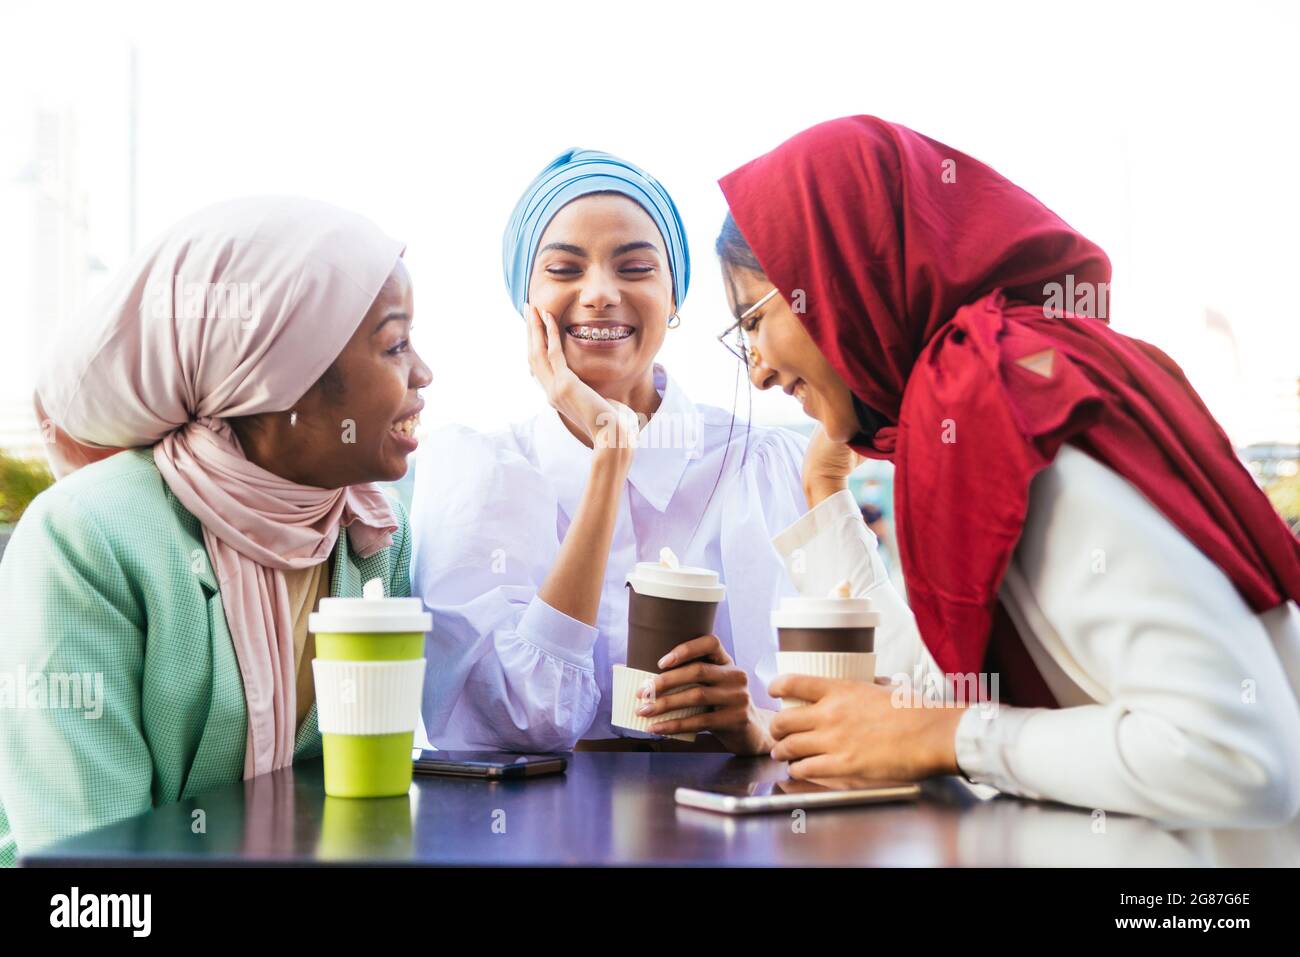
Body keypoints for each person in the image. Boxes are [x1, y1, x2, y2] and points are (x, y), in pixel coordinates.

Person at [715, 116, 1300, 827]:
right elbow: (940, 689)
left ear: (832, 272)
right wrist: (825, 491)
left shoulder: (993, 394)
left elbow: (1238, 756)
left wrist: (945, 739)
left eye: (752, 320)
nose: (758, 368)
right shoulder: (978, 387)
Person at [410, 148, 915, 754]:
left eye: (635, 268)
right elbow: (514, 725)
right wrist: (609, 460)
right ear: (526, 303)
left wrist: (753, 725)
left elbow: (884, 698)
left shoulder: (761, 465)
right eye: (565, 270)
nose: (599, 293)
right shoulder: (482, 475)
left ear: (675, 298)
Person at [0, 197, 432, 864]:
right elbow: (85, 857)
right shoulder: (83, 540)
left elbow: (354, 802)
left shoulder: (373, 535)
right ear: (279, 370)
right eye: (395, 344)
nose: (423, 372)